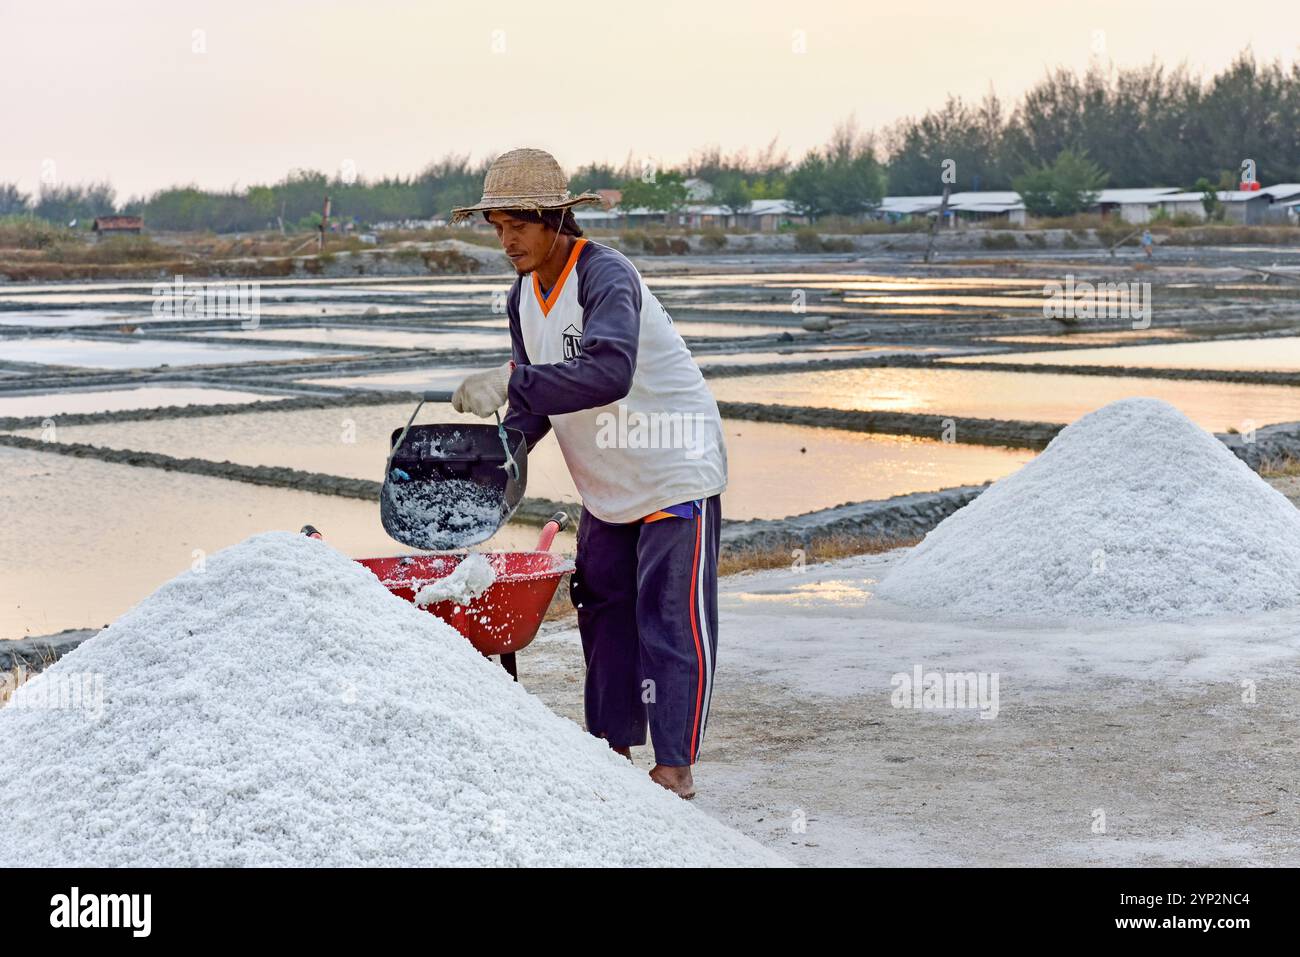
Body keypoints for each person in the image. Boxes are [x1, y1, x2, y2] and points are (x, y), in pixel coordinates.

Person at [448, 148, 728, 799]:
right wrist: (495, 457)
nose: (507, 240)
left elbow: (609, 370)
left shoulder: (605, 276)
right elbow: (537, 400)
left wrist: (512, 379)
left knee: (669, 614)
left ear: (554, 220)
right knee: (601, 606)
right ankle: (611, 750)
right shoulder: (522, 298)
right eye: (497, 227)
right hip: (606, 483)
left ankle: (675, 766)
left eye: (518, 224)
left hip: (672, 465)